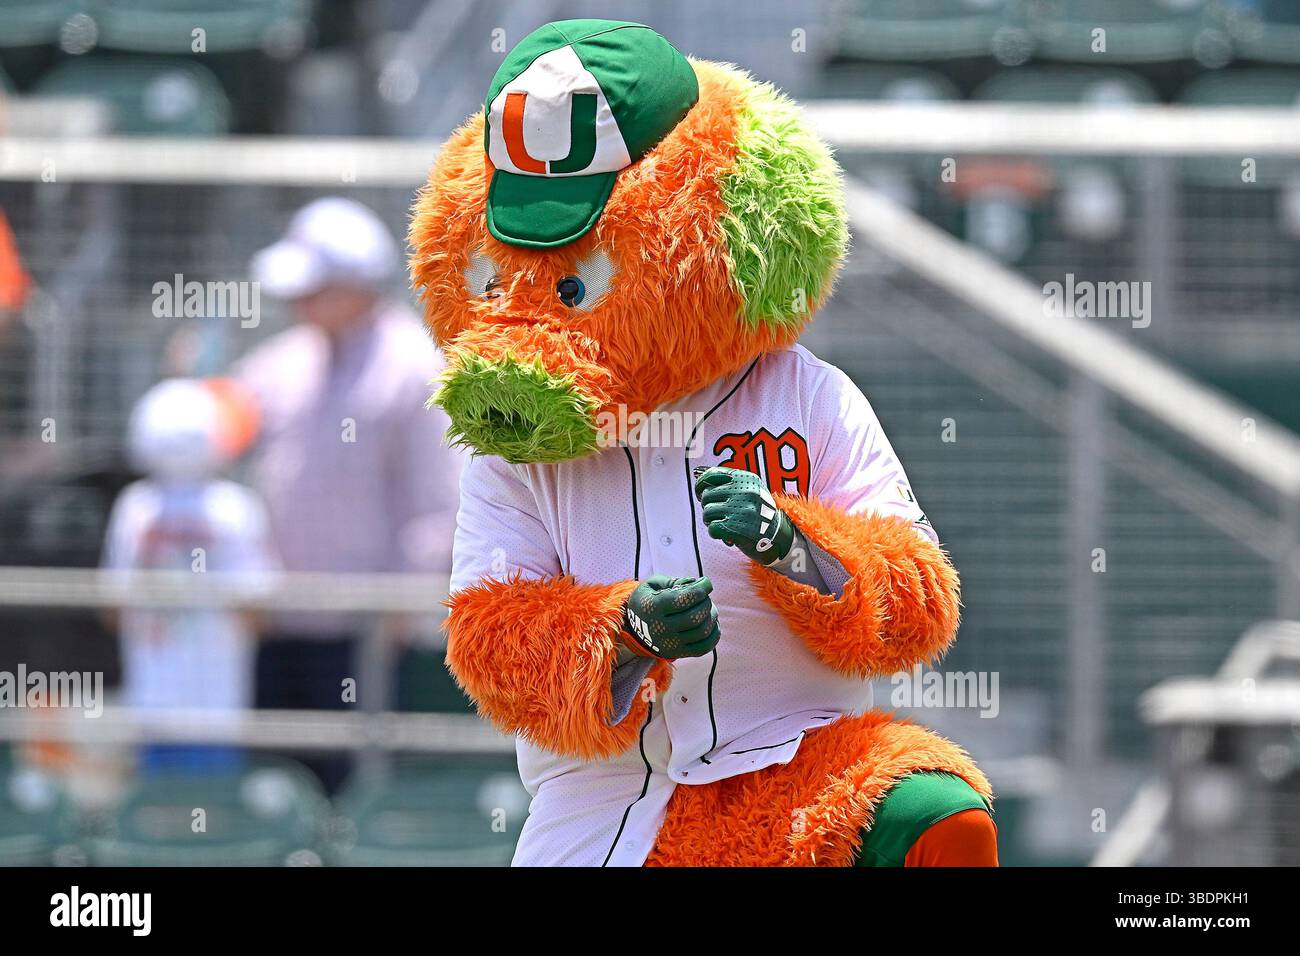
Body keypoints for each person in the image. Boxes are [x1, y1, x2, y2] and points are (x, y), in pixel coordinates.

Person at [234, 197, 460, 793]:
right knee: (275, 782)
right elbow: (221, 423)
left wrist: (396, 612)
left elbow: (437, 507)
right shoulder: (285, 360)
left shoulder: (413, 366)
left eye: (315, 289)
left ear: (355, 285)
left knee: (353, 786)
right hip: (277, 620)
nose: (297, 302)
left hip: (363, 632)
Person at [103, 378, 275, 774]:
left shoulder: (134, 507)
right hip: (219, 702)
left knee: (157, 810)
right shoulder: (236, 507)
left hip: (152, 697)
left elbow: (113, 609)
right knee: (214, 810)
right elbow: (258, 613)